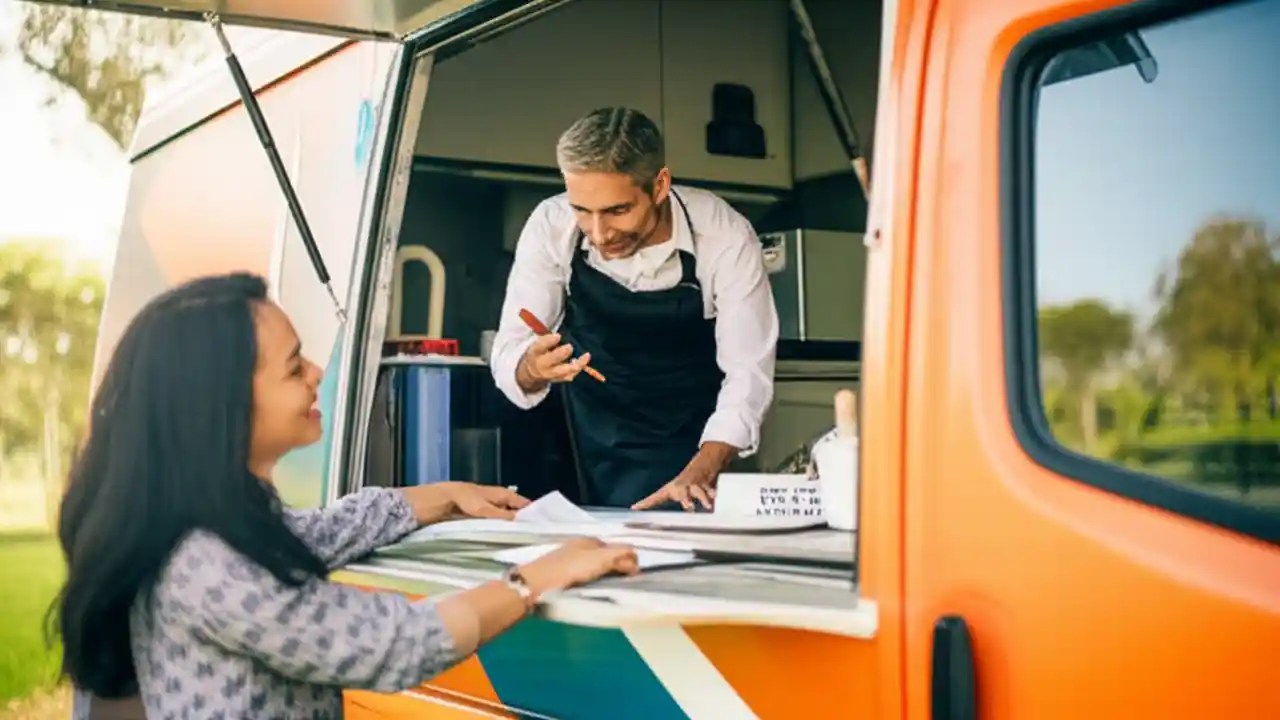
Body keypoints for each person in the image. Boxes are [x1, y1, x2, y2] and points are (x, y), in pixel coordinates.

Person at [51, 273, 638, 720]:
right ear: (222, 405)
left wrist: (445, 495)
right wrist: (535, 578)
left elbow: (320, 530)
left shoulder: (209, 524)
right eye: (292, 369)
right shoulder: (207, 562)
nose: (316, 374)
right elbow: (396, 644)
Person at [489, 107, 779, 511]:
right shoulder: (551, 226)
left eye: (617, 210)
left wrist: (703, 470)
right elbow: (509, 353)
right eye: (581, 210)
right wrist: (532, 368)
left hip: (694, 443)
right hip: (588, 439)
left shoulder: (723, 235)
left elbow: (748, 374)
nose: (599, 233)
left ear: (660, 185)